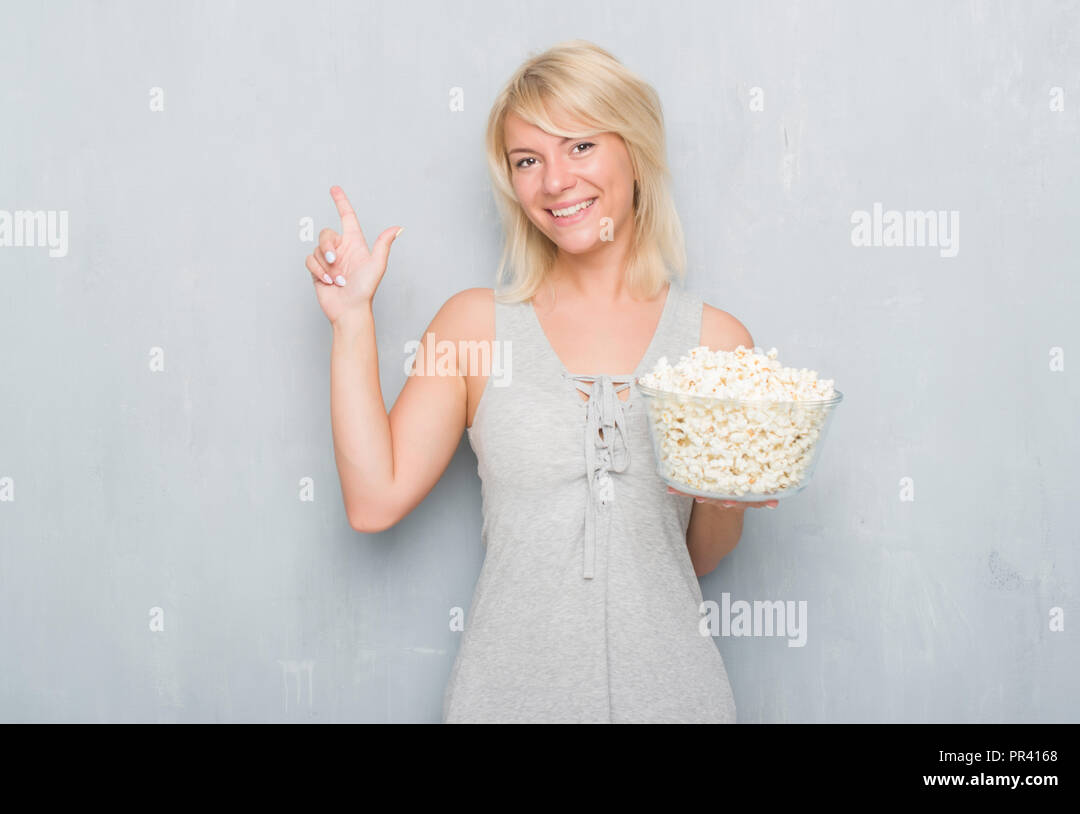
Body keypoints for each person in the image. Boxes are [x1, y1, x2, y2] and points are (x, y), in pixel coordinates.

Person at [306, 40, 773, 723]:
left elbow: (696, 558)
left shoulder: (718, 343)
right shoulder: (473, 329)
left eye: (579, 146)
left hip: (679, 700)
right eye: (528, 160)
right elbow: (373, 502)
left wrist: (729, 500)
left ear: (634, 149)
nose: (554, 181)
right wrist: (351, 321)